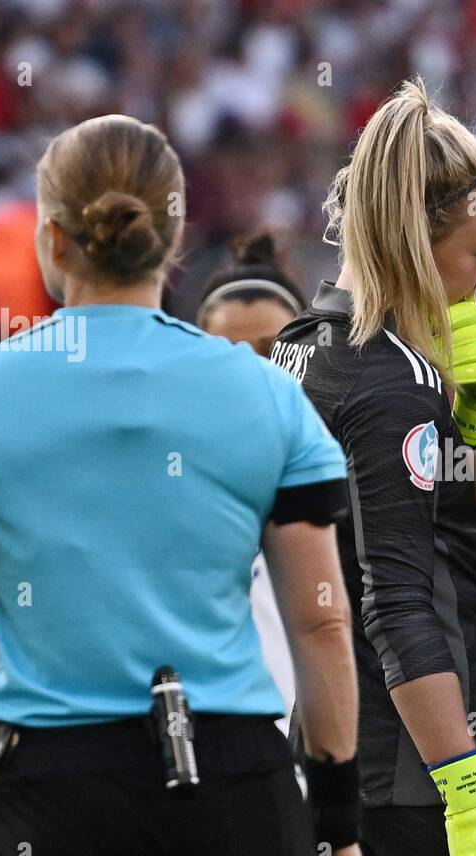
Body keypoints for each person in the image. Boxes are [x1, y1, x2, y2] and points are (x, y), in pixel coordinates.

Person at [0, 113, 365, 856]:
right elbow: (321, 619)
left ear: (52, 240)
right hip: (238, 790)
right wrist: (337, 818)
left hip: (55, 800)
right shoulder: (267, 392)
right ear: (173, 244)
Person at [272, 78, 476, 856]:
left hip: (340, 747)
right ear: (413, 242)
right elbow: (401, 593)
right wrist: (469, 793)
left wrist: (465, 432)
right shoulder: (394, 378)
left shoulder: (298, 348)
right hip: (434, 755)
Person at [195, 232, 307, 733]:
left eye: (271, 349)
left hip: (333, 764)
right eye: (228, 351)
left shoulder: (358, 476)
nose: (252, 369)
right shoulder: (168, 486)